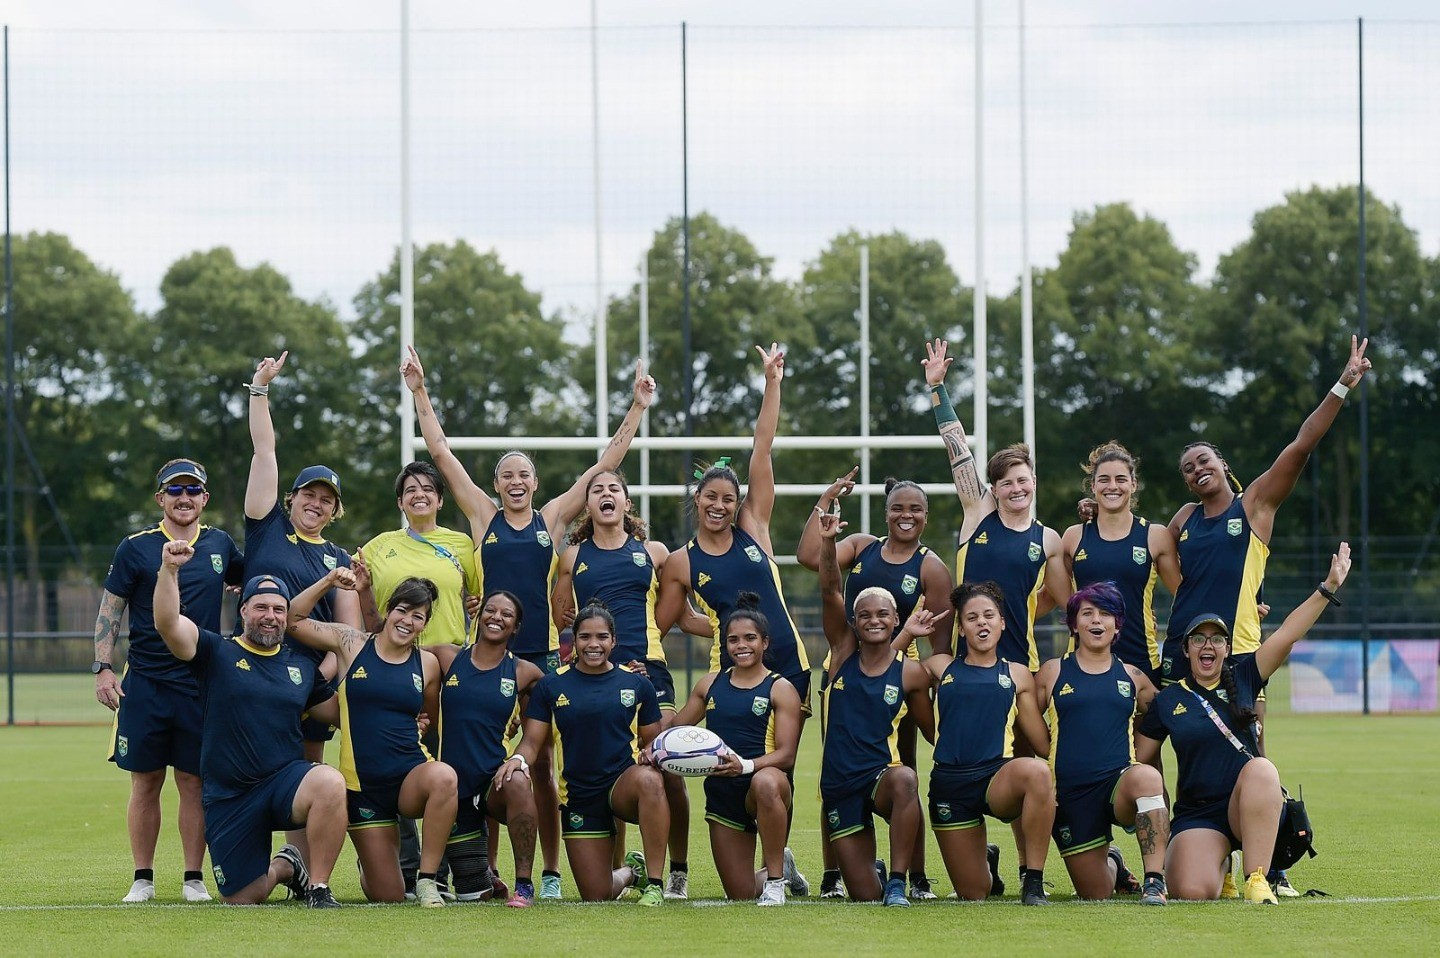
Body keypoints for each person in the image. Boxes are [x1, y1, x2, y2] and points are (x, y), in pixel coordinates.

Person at [403, 343, 655, 899]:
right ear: (496, 485)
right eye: (507, 474)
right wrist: (420, 392)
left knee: (539, 767)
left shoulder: (552, 518)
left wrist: (636, 408)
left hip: (539, 658)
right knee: (485, 760)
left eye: (525, 474)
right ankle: (485, 870)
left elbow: (605, 467)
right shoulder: (483, 517)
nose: (516, 481)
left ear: (536, 485)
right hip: (485, 656)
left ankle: (545, 872)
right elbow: (441, 452)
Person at [924, 337, 1070, 882]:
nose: (1015, 487)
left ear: (1034, 484)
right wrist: (939, 390)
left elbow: (1061, 596)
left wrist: (1024, 615)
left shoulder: (1048, 538)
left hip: (1020, 667)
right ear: (995, 488)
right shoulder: (974, 515)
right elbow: (957, 450)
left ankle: (1036, 862)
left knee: (1036, 762)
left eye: (1023, 480)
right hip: (967, 670)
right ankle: (974, 846)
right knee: (965, 754)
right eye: (1005, 481)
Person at [1137, 543, 1352, 905]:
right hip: (1199, 813)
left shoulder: (1246, 678)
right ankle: (1222, 867)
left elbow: (1286, 635)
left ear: (1226, 647)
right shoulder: (1167, 701)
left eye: (1217, 639)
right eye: (1199, 639)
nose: (1209, 646)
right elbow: (1142, 764)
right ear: (1186, 649)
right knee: (1191, 892)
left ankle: (1257, 876)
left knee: (1263, 769)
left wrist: (1326, 588)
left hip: (1248, 805)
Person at [1162, 335, 1371, 686]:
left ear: (1223, 464)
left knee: (1248, 740)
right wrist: (1096, 511)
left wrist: (1341, 386)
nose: (1197, 469)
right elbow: (1148, 552)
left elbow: (1302, 445)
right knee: (1157, 737)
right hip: (1183, 645)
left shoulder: (1254, 504)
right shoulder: (1183, 518)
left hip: (1239, 649)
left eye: (1204, 460)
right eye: (1188, 469)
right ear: (1187, 483)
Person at [152, 546, 347, 907]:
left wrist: (406, 715)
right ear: (243, 610)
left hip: (284, 784)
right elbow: (167, 623)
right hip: (231, 795)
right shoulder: (215, 652)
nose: (270, 616)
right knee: (242, 897)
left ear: (287, 616)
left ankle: (319, 887)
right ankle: (287, 867)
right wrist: (169, 570)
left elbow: (341, 713)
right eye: (261, 607)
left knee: (329, 782)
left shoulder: (301, 667)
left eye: (278, 609)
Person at [92, 457, 244, 903]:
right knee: (145, 781)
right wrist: (102, 667)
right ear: (160, 498)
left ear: (205, 498)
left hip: (201, 684)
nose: (184, 498)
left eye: (192, 490)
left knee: (194, 782)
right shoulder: (136, 546)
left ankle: (193, 878)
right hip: (146, 683)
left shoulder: (220, 544)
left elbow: (251, 583)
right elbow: (110, 610)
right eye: (175, 491)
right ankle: (143, 878)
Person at [552, 469, 710, 898]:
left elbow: (686, 615)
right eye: (597, 490)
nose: (606, 495)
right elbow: (562, 618)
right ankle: (621, 869)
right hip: (594, 677)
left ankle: (675, 871)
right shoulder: (572, 556)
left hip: (649, 671)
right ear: (589, 506)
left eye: (614, 489)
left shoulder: (655, 552)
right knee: (609, 766)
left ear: (626, 502)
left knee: (667, 762)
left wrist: (735, 634)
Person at [796, 470, 952, 899]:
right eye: (898, 508)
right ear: (885, 513)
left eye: (915, 509)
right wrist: (825, 504)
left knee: (904, 772)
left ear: (926, 515)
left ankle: (912, 876)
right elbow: (814, 562)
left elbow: (940, 647)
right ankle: (835, 873)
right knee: (839, 764)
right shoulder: (864, 547)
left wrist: (933, 682)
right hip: (850, 663)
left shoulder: (932, 568)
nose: (906, 515)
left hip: (900, 675)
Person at [239, 351, 360, 864]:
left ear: (335, 510)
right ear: (290, 498)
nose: (316, 503)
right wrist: (261, 389)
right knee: (250, 761)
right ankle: (249, 857)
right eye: (308, 494)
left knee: (308, 764)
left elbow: (348, 631)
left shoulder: (337, 556)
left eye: (326, 499)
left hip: (309, 675)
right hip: (253, 664)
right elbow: (264, 451)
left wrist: (323, 675)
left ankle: (300, 865)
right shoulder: (267, 523)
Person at [286, 569, 459, 908]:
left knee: (444, 776)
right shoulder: (351, 643)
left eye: (418, 616)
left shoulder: (428, 664)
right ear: (389, 609)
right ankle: (371, 861)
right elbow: (293, 619)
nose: (407, 621)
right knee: (388, 895)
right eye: (403, 610)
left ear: (425, 624)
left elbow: (433, 718)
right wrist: (327, 583)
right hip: (363, 788)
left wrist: (421, 723)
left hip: (409, 775)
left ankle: (427, 881)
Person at [656, 344, 813, 714]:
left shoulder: (753, 527)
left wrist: (772, 383)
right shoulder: (682, 562)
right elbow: (662, 626)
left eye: (728, 499)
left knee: (780, 770)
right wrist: (725, 632)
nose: (719, 506)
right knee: (731, 765)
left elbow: (762, 447)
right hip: (731, 673)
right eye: (711, 497)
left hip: (789, 664)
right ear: (698, 498)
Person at [354, 460, 478, 899]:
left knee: (454, 771)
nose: (419, 494)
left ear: (441, 499)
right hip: (397, 673)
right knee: (401, 759)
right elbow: (363, 606)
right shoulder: (378, 546)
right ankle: (403, 869)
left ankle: (462, 874)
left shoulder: (462, 545)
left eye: (428, 488)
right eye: (410, 489)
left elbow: (481, 604)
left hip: (451, 677)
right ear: (400, 501)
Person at [493, 603, 670, 906]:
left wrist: (651, 754)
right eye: (585, 637)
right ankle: (632, 872)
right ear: (573, 641)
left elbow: (653, 741)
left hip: (621, 784)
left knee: (650, 780)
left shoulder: (637, 682)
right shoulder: (552, 684)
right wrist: (517, 759)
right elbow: (533, 741)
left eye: (602, 637)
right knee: (596, 894)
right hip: (579, 796)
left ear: (613, 641)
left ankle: (655, 883)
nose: (593, 644)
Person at [815, 506, 934, 907]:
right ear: (854, 620)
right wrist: (829, 542)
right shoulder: (843, 652)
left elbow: (934, 732)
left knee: (906, 781)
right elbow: (831, 589)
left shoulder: (912, 674)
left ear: (896, 618)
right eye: (864, 614)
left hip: (880, 778)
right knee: (865, 895)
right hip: (840, 786)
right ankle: (876, 875)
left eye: (883, 613)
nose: (874, 620)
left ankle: (899, 880)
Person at [919, 580, 1053, 905]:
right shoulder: (941, 666)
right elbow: (885, 671)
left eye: (989, 615)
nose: (982, 622)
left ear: (1002, 623)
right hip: (950, 783)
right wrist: (908, 634)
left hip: (996, 778)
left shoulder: (1018, 674)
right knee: (974, 894)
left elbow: (1043, 744)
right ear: (962, 629)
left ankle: (1032, 881)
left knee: (1037, 773)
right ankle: (987, 864)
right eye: (972, 617)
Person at [666, 592, 805, 905]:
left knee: (767, 781)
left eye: (750, 638)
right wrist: (655, 747)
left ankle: (774, 882)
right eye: (733, 639)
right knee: (739, 893)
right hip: (723, 791)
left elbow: (787, 755)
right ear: (725, 645)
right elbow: (675, 729)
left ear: (765, 643)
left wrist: (746, 765)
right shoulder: (710, 684)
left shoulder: (780, 688)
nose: (741, 645)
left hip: (764, 785)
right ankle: (781, 865)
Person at [1036, 582, 1170, 905]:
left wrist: (1141, 751)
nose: (1097, 621)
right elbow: (1023, 720)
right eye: (1088, 613)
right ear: (1073, 623)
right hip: (1071, 794)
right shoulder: (1052, 672)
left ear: (1117, 625)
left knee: (1148, 778)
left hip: (1118, 786)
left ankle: (1154, 881)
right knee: (1096, 893)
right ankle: (1115, 862)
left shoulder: (1133, 676)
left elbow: (1165, 713)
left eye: (1106, 613)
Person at [438, 590, 545, 907]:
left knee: (519, 780)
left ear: (516, 627)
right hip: (450, 789)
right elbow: (395, 651)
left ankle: (524, 885)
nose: (496, 617)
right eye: (490, 610)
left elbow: (534, 736)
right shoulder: (448, 657)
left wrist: (518, 758)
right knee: (475, 896)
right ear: (478, 615)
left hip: (492, 782)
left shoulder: (525, 673)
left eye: (506, 614)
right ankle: (483, 875)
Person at [1062, 441, 1181, 684]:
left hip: (1141, 661)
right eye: (1104, 479)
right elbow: (1049, 595)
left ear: (1134, 484)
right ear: (1093, 486)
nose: (1112, 486)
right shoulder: (1073, 537)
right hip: (1082, 662)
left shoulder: (1155, 536)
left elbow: (1185, 593)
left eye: (1121, 479)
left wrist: (1240, 607)